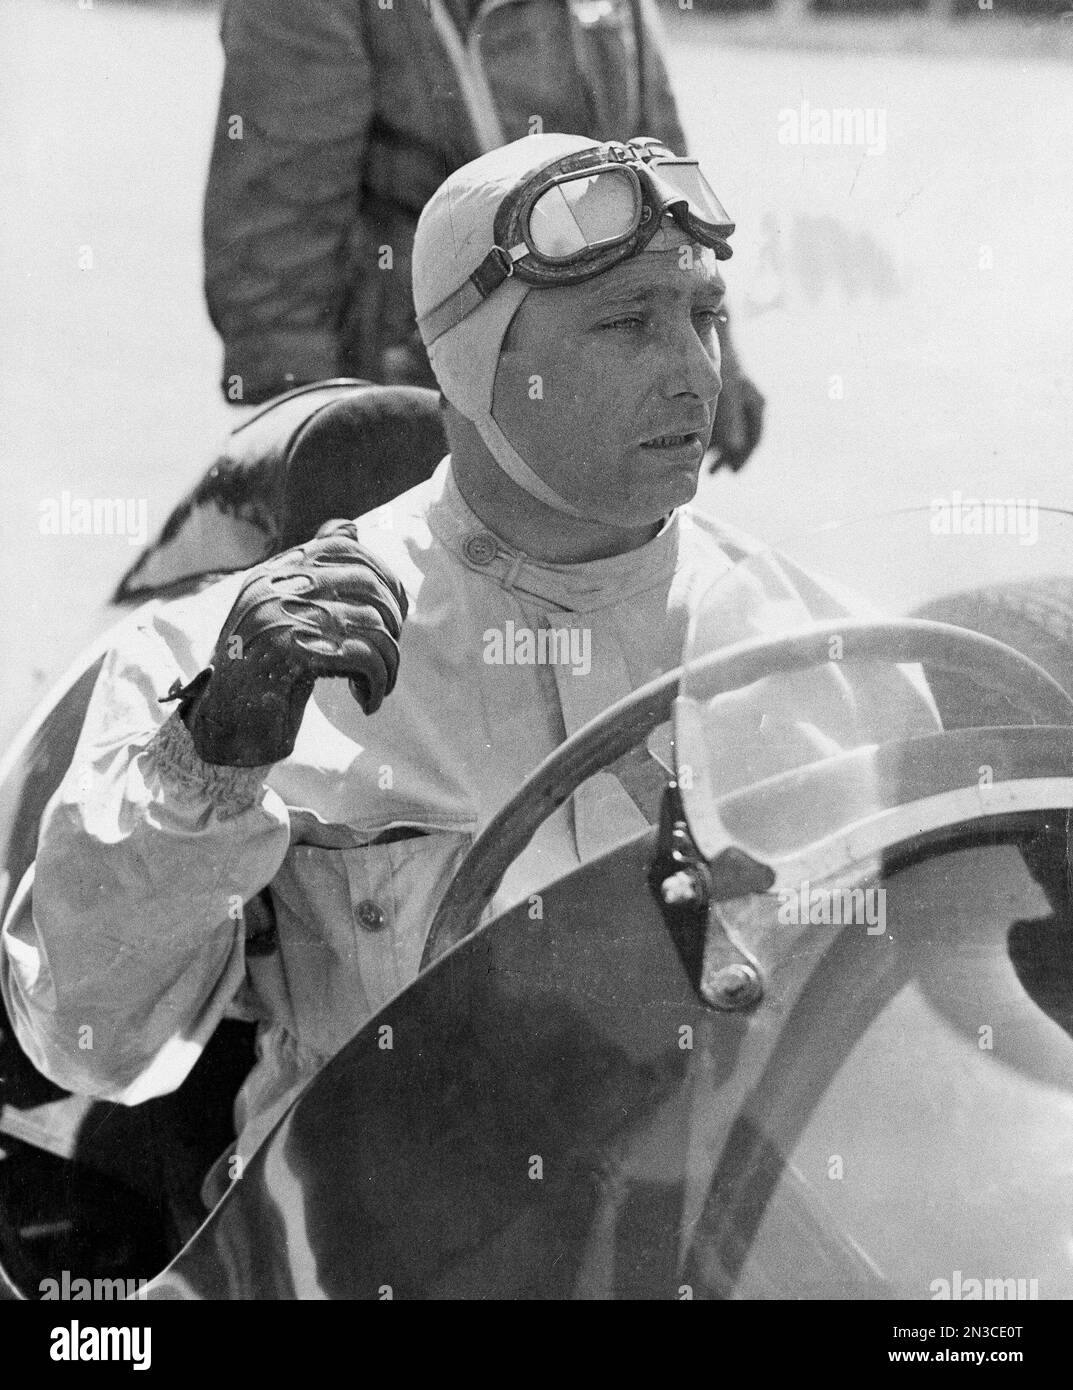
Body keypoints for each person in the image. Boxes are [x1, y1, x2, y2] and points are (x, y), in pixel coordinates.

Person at [3, 134, 929, 1183]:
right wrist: (212, 754)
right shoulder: (218, 658)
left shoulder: (835, 654)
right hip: (363, 1245)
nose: (691, 371)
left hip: (730, 1239)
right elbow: (84, 1043)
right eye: (628, 323)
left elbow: (934, 1049)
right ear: (474, 361)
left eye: (704, 315)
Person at [203, 0, 765, 471]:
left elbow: (661, 170)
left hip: (594, 397)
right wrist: (312, 441)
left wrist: (716, 344)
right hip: (409, 402)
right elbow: (274, 234)